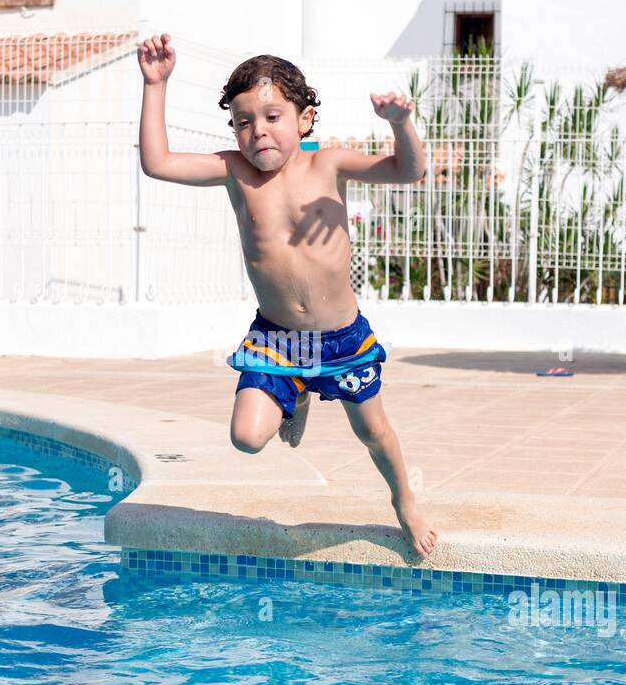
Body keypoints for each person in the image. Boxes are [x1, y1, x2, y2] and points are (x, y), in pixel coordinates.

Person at [137, 34, 437, 557]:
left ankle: (404, 500)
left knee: (373, 433)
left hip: (343, 340)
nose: (258, 132)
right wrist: (155, 85)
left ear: (305, 118)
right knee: (247, 437)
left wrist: (399, 123)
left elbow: (410, 171)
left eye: (273, 116)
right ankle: (294, 394)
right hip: (278, 341)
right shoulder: (236, 173)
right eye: (244, 120)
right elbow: (157, 162)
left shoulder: (330, 166)